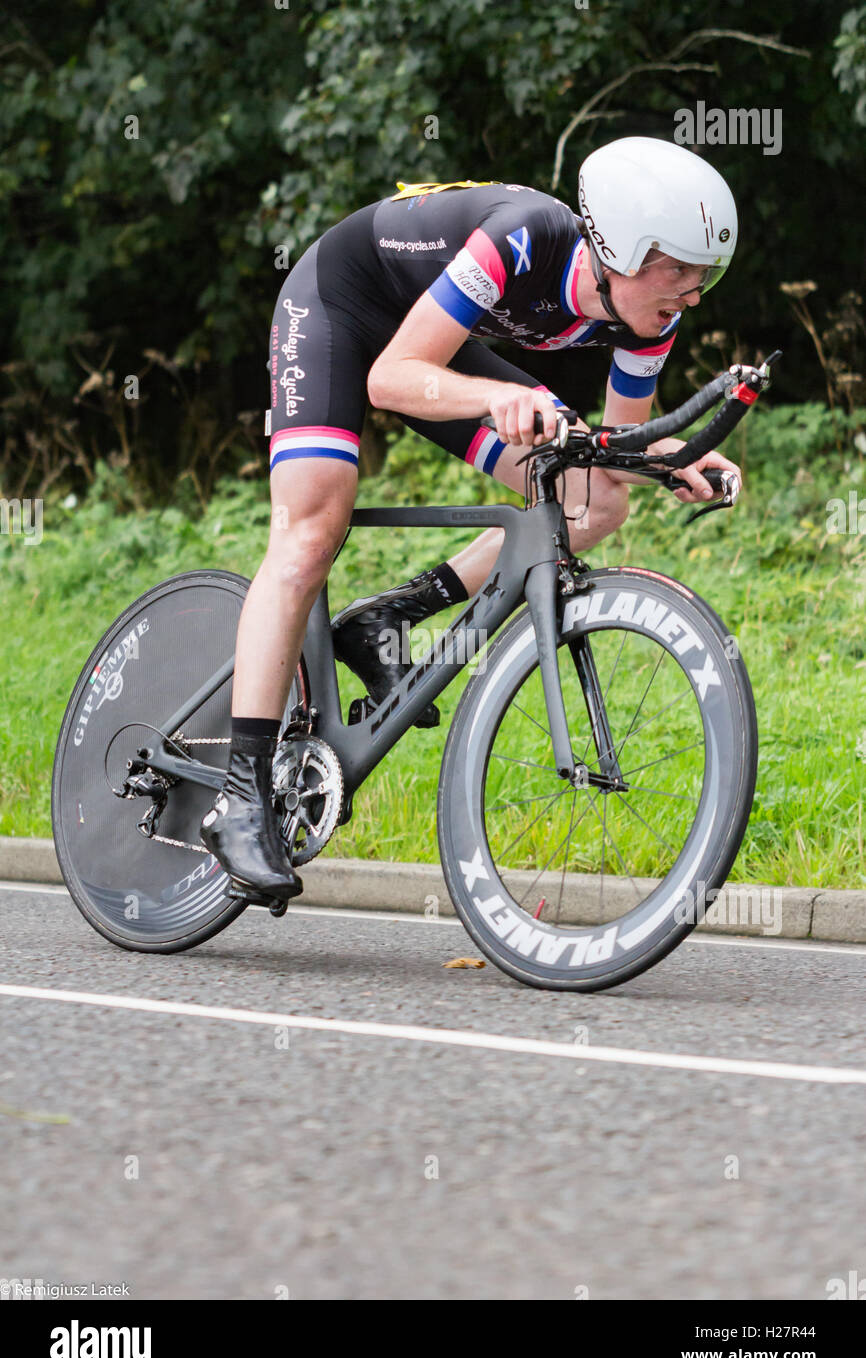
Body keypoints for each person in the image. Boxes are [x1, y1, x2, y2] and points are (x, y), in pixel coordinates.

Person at [199, 135, 741, 901]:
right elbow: (391, 377)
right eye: (678, 270)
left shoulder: (651, 317)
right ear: (619, 246)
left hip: (427, 338)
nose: (691, 293)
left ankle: (389, 614)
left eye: (704, 276)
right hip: (340, 307)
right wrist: (495, 397)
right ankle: (241, 795)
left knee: (593, 498)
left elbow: (615, 446)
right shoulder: (521, 240)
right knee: (314, 526)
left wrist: (672, 455)